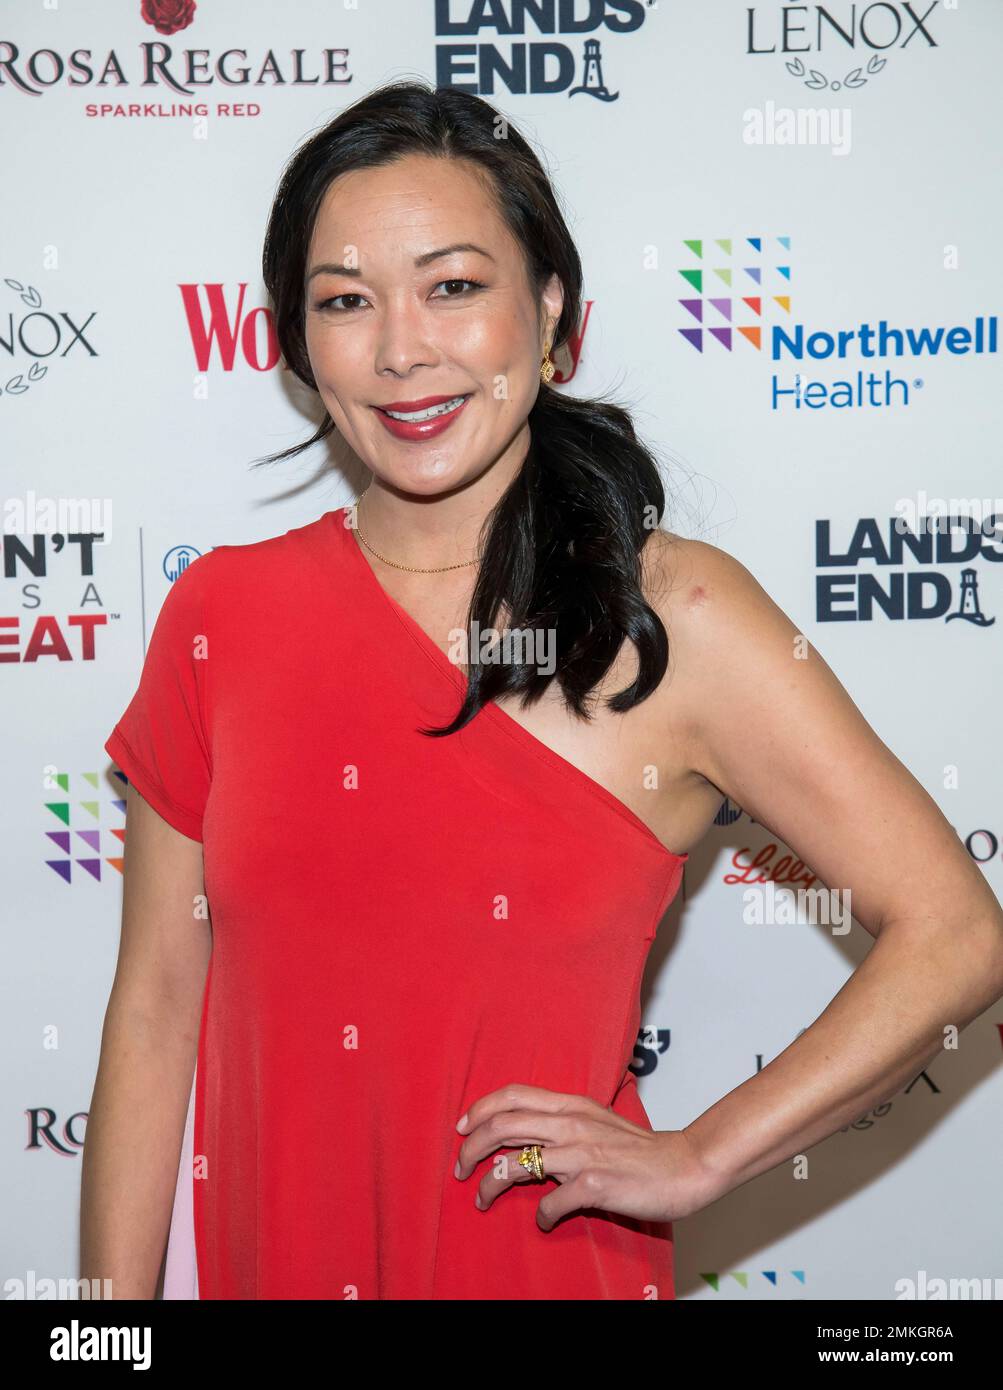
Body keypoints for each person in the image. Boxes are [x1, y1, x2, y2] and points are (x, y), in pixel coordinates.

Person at [80, 79, 1003, 1301]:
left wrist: (703, 1153)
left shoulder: (677, 616)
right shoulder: (222, 617)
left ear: (553, 311)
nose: (402, 347)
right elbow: (155, 1002)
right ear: (298, 345)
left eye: (454, 286)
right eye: (345, 301)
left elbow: (955, 933)